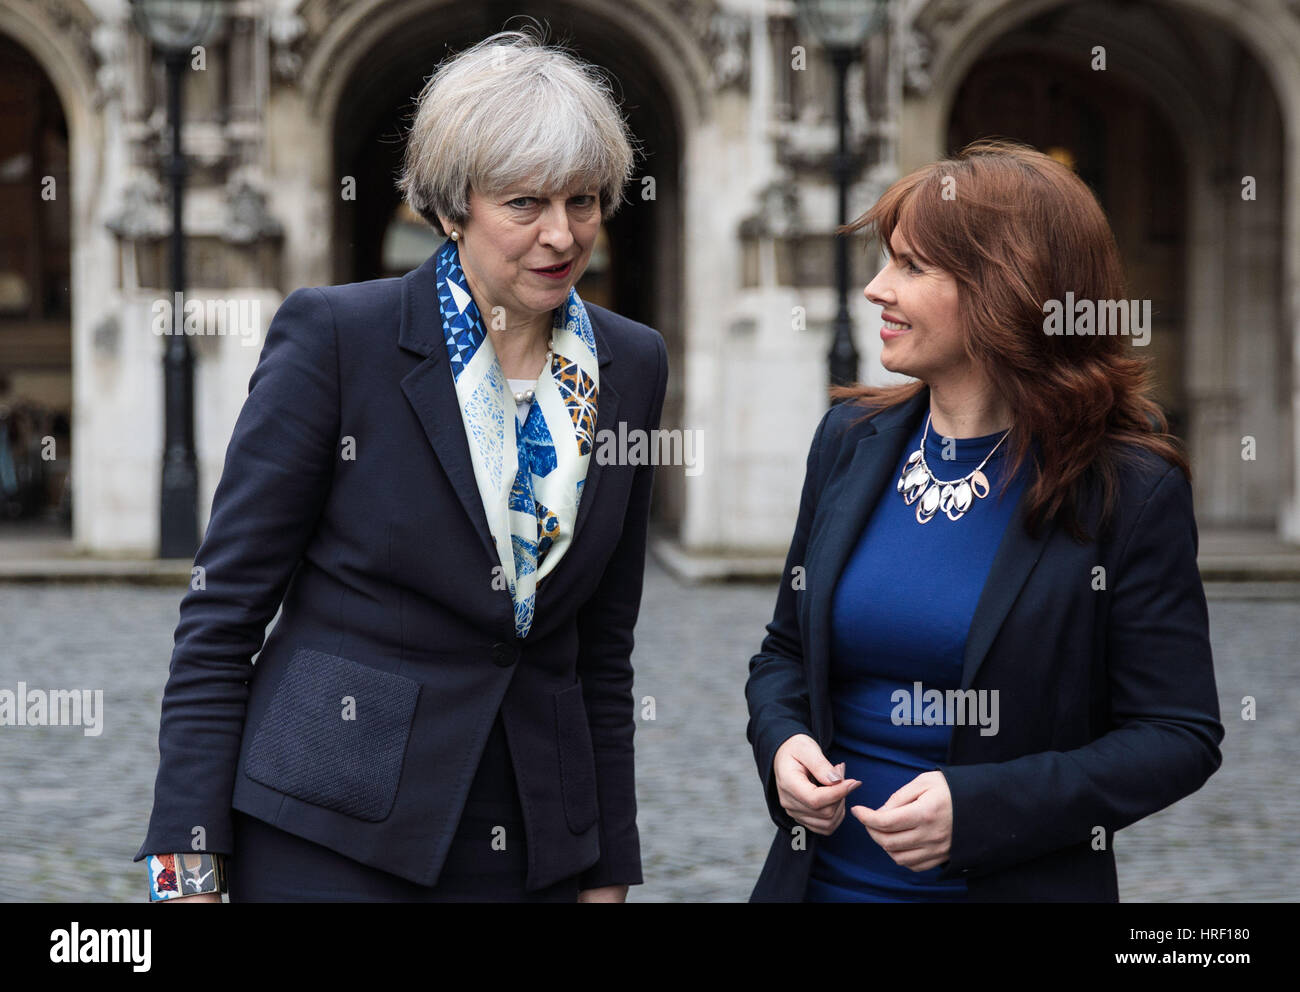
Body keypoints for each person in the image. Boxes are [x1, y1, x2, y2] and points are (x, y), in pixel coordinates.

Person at [135, 28, 667, 902]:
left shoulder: (633, 361)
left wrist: (607, 865)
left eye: (584, 201)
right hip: (328, 830)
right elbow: (222, 615)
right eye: (525, 204)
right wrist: (186, 863)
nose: (563, 235)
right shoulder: (340, 338)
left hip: (536, 840)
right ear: (453, 209)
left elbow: (603, 649)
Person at [744, 139, 1224, 902]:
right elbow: (781, 656)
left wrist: (983, 811)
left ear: (1008, 288)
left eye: (910, 266)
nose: (874, 289)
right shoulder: (848, 441)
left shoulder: (1130, 488)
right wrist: (783, 745)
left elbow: (1177, 736)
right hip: (817, 885)